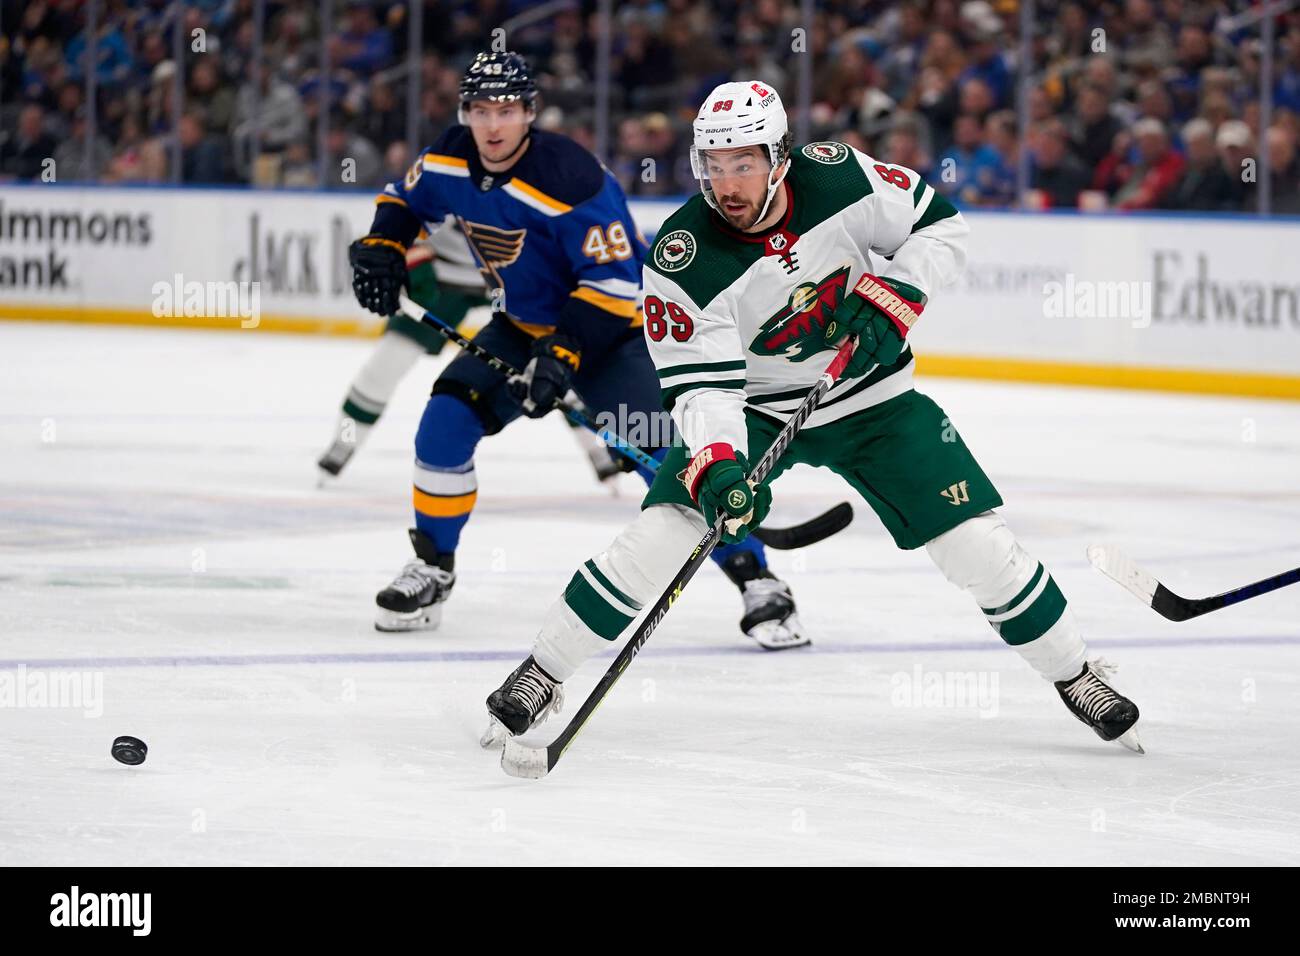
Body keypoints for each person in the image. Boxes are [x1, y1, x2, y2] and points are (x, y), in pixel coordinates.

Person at [483, 81, 1143, 755]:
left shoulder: (840, 177)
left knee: (976, 545)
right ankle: (543, 670)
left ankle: (1078, 673)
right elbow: (703, 389)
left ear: (781, 157)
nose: (727, 182)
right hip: (755, 408)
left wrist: (899, 294)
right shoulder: (682, 257)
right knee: (662, 533)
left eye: (743, 163)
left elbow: (939, 226)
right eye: (713, 164)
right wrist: (716, 465)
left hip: (873, 395)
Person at [346, 53, 804, 649]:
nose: (491, 126)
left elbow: (615, 282)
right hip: (521, 327)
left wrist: (563, 356)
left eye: (506, 110)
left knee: (664, 458)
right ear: (464, 113)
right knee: (444, 423)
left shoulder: (570, 176)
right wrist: (384, 244)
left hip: (609, 332)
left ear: (530, 113)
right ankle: (434, 568)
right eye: (479, 110)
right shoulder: (448, 156)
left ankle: (757, 579)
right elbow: (404, 199)